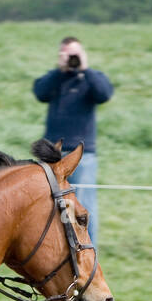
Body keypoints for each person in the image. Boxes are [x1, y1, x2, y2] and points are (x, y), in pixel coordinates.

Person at [32, 36, 114, 249]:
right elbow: (40, 92)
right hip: (54, 153)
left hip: (83, 154)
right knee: (50, 203)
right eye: (67, 54)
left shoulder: (91, 78)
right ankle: (54, 251)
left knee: (84, 204)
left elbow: (104, 94)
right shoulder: (56, 79)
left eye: (74, 54)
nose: (71, 59)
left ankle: (88, 252)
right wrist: (59, 70)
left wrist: (85, 69)